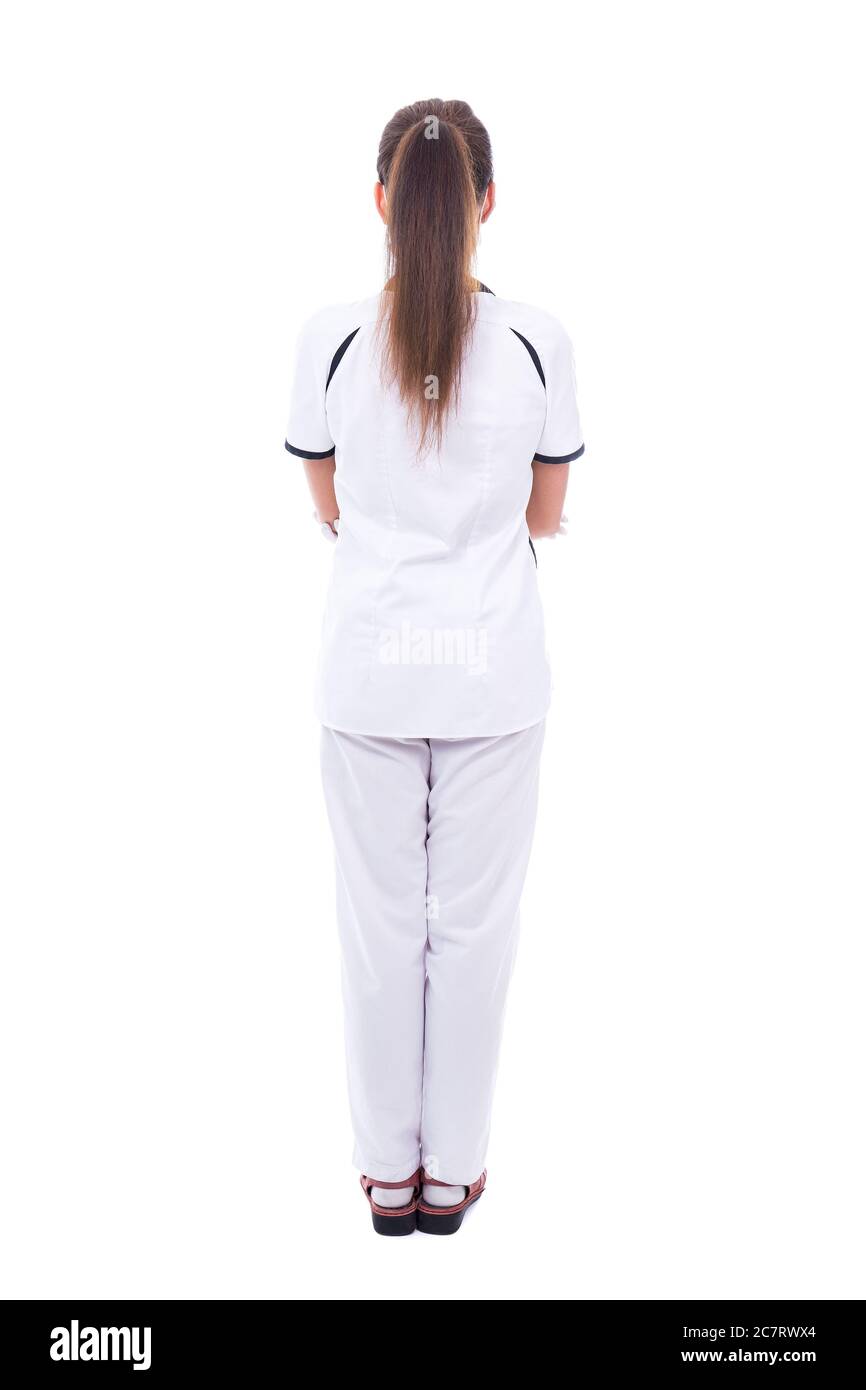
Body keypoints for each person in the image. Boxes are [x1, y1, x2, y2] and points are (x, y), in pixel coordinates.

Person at [285, 98, 584, 1235]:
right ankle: (449, 1175)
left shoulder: (329, 336)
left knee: (376, 928)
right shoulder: (533, 339)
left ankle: (382, 1176)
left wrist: (391, 536)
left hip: (368, 667)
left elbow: (327, 500)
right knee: (471, 932)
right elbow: (544, 515)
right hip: (491, 675)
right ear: (486, 205)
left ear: (379, 203)